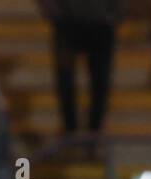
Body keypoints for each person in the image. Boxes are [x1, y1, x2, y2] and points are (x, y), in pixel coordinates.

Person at [36, 0, 129, 141]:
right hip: (67, 24)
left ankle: (94, 134)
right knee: (65, 80)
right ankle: (70, 130)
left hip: (102, 24)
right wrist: (56, 15)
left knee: (100, 82)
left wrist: (114, 15)